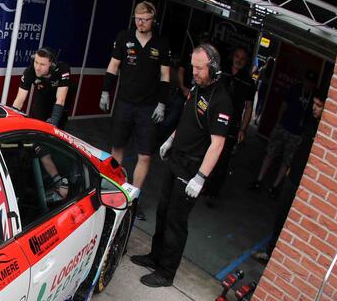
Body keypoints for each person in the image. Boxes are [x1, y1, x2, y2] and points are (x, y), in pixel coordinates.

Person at [131, 44, 233, 287]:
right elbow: (188, 119)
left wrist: (200, 177)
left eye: (199, 68)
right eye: (193, 67)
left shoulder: (222, 101)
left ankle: (166, 273)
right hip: (177, 159)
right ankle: (155, 257)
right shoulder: (197, 89)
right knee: (163, 211)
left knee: (176, 221)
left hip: (192, 168)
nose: (194, 72)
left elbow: (217, 144)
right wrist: (171, 139)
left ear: (214, 67)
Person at [99, 1, 172, 220]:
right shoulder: (124, 37)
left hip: (148, 108)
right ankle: (113, 191)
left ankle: (133, 199)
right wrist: (105, 91)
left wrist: (162, 103)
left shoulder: (162, 44)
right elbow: (113, 66)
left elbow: (165, 76)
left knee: (145, 155)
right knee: (117, 148)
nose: (140, 23)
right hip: (124, 103)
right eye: (137, 19)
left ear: (153, 20)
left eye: (145, 19)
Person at [254, 93, 324, 262]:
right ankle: (271, 251)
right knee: (281, 215)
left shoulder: (323, 131)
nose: (315, 107)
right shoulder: (310, 124)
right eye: (314, 103)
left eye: (319, 105)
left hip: (306, 181)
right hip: (293, 177)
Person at [249, 70, 317, 197]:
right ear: (304, 80)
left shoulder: (313, 97)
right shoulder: (296, 89)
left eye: (311, 82)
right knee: (270, 153)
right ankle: (258, 180)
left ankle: (274, 187)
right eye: (307, 81)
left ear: (314, 84)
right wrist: (278, 123)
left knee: (287, 161)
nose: (308, 84)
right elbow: (284, 105)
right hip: (284, 127)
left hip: (296, 134)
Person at [202, 46, 254, 206]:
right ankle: (201, 183)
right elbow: (207, 90)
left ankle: (212, 192)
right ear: (232, 56)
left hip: (232, 124)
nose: (239, 60)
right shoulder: (220, 72)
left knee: (223, 161)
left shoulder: (249, 82)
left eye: (243, 58)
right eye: (237, 56)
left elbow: (249, 107)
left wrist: (243, 129)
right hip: (211, 119)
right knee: (204, 150)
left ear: (246, 62)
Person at [12, 47, 71, 127]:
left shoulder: (63, 70)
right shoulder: (30, 71)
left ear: (52, 65)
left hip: (58, 99)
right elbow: (20, 99)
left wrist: (53, 123)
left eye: (42, 64)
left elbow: (61, 99)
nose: (37, 68)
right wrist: (10, 119)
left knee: (58, 124)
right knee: (36, 122)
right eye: (36, 62)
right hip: (41, 95)